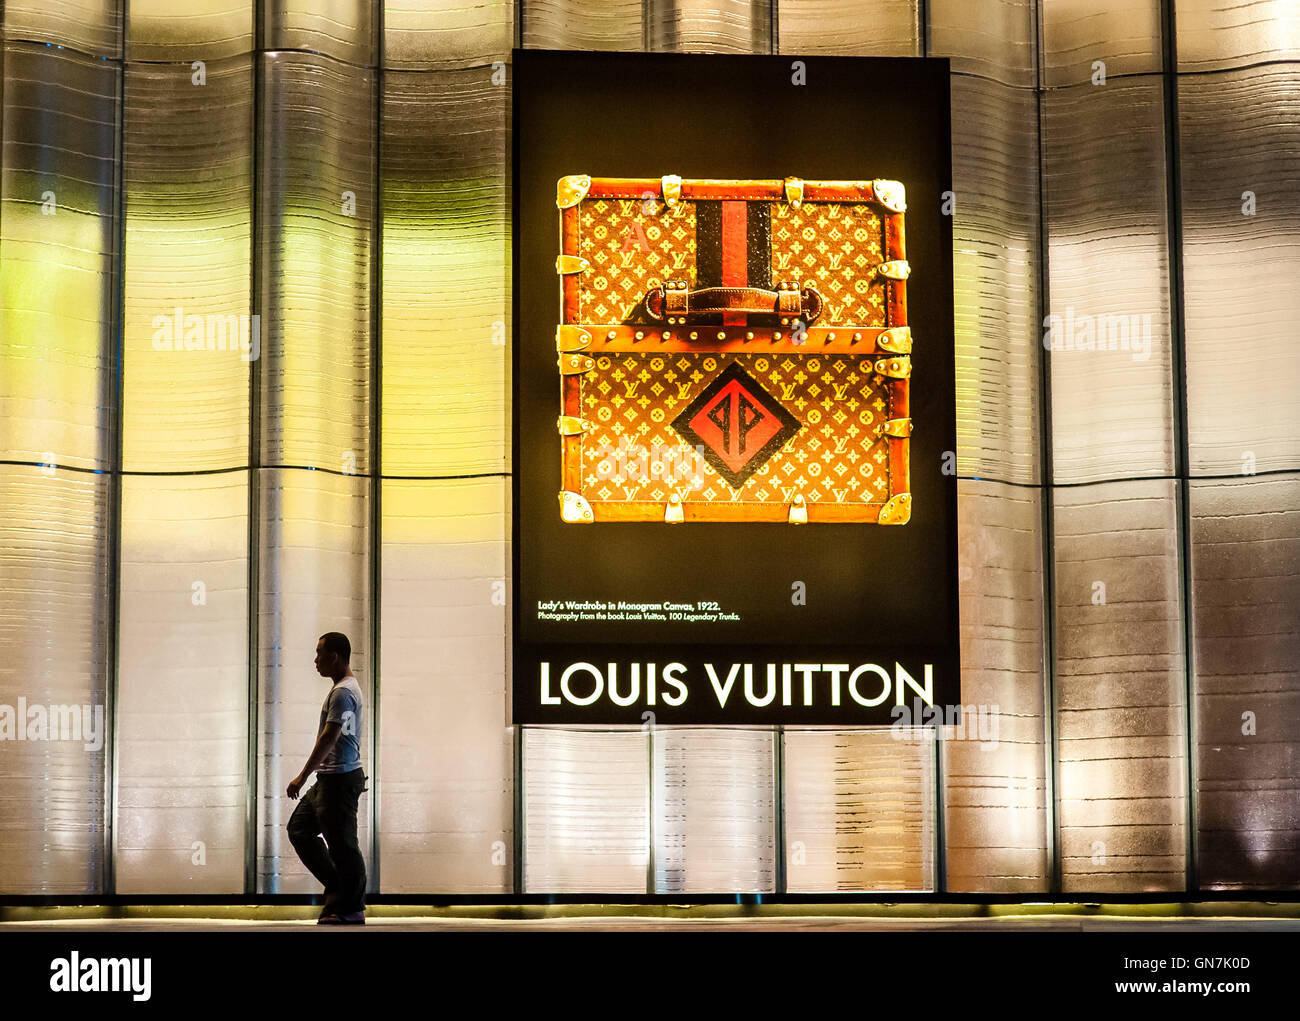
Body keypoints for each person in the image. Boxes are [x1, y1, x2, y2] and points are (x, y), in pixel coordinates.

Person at [287, 632, 368, 925]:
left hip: (339, 779)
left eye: (320, 653)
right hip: (330, 779)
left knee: (343, 844)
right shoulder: (343, 690)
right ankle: (337, 888)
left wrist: (301, 776)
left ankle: (351, 907)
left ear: (335, 656)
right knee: (299, 829)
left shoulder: (344, 692)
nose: (315, 660)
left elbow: (329, 737)